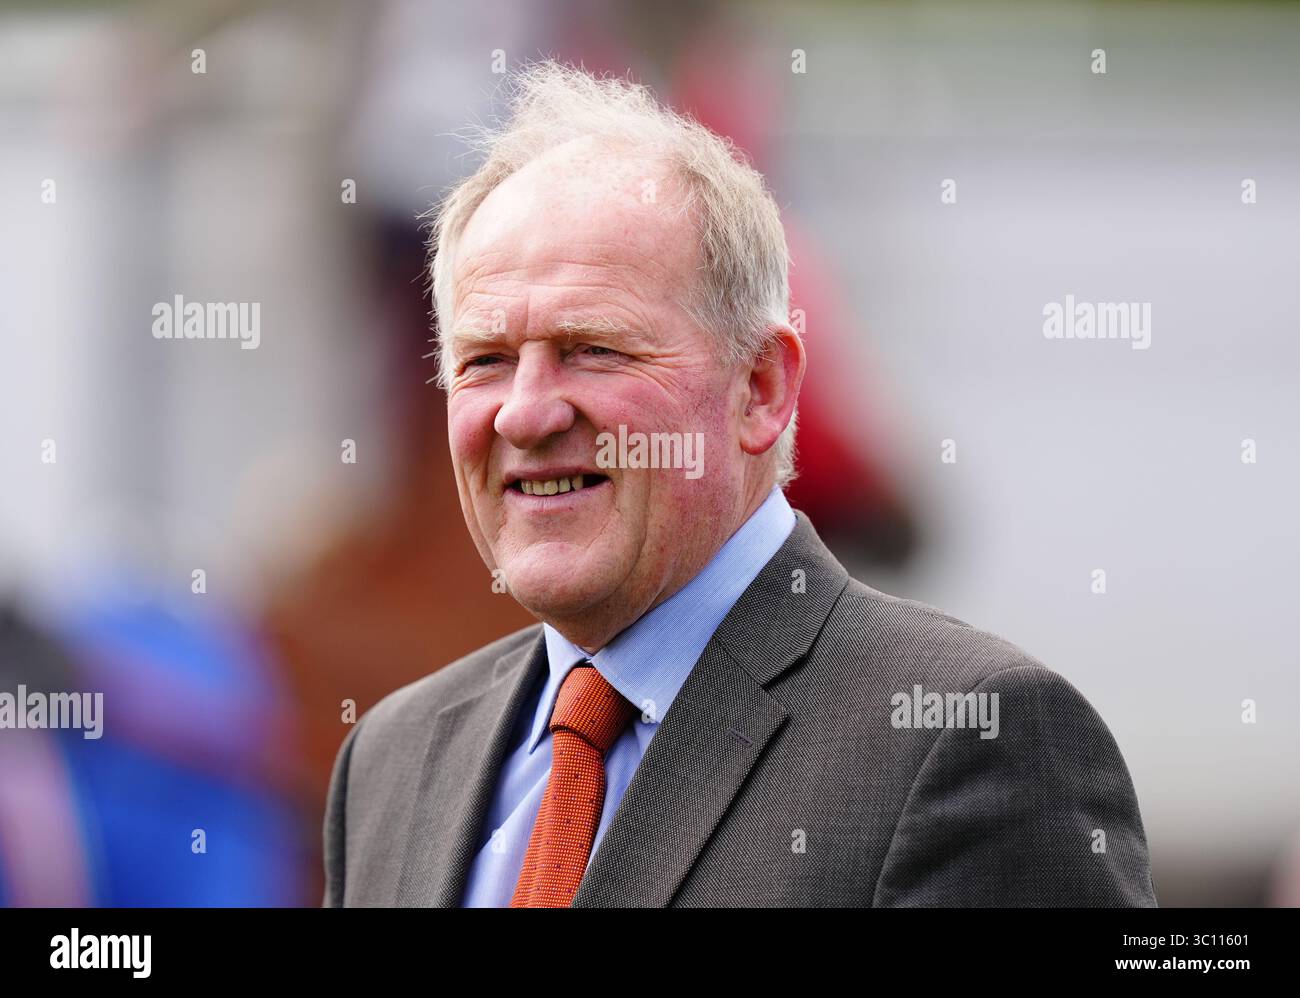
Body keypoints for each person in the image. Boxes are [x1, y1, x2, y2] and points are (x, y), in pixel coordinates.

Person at [323, 61, 1156, 908]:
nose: (525, 416)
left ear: (759, 388)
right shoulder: (393, 759)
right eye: (486, 362)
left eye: (594, 349)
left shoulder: (971, 738)